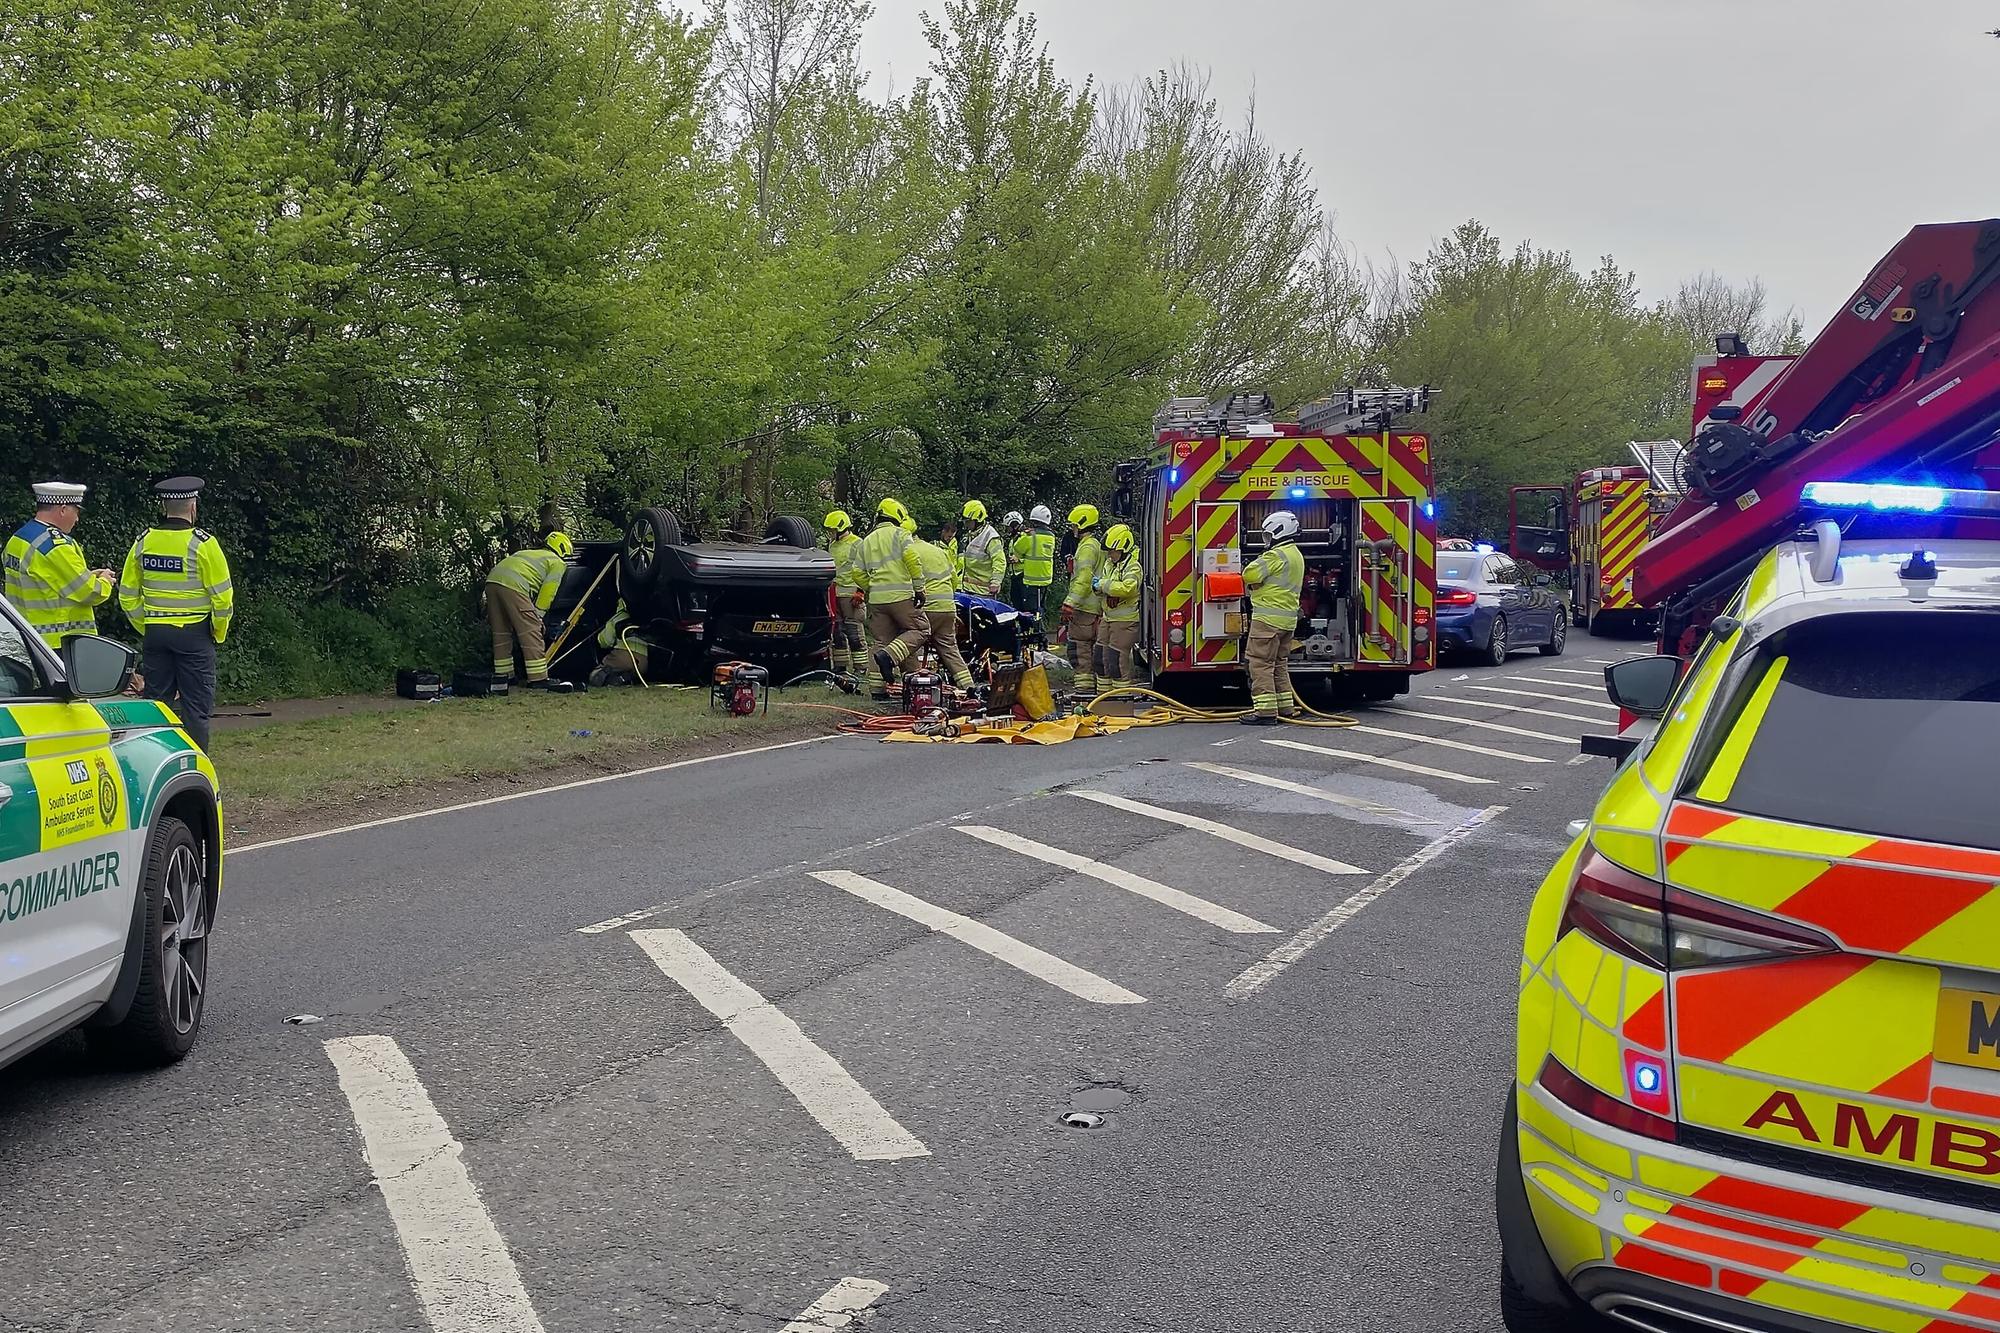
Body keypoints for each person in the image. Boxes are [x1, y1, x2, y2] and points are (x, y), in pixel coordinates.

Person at [118, 476, 234, 749]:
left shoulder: (143, 542)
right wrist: (217, 631)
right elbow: (223, 597)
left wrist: (146, 625)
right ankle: (195, 765)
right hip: (194, 635)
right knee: (196, 707)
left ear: (164, 507)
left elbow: (127, 595)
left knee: (157, 705)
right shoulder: (203, 544)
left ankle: (157, 756)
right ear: (193, 507)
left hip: (156, 635)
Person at [5, 481, 116, 650]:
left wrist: (89, 574)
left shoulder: (19, 538)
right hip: (58, 643)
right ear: (63, 509)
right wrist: (105, 581)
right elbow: (89, 592)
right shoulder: (55, 546)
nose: (77, 519)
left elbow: (47, 582)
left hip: (26, 637)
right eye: (76, 511)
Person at [851, 498, 928, 702]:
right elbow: (913, 559)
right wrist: (919, 588)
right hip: (901, 596)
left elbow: (857, 572)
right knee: (920, 630)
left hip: (877, 599)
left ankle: (877, 690)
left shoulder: (866, 540)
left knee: (880, 641)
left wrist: (871, 587)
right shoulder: (901, 534)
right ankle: (891, 657)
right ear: (897, 517)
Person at [485, 530, 575, 693]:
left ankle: (504, 676)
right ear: (563, 549)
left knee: (501, 631)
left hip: (492, 581)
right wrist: (538, 616)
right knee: (531, 631)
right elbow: (549, 591)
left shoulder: (527, 553)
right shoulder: (556, 562)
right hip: (514, 585)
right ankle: (538, 678)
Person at [1240, 511, 1306, 725]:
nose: (1266, 540)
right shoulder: (1295, 554)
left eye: (1268, 535)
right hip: (1287, 621)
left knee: (1259, 664)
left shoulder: (1275, 556)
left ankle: (1265, 712)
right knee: (1279, 664)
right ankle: (1285, 707)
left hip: (1267, 621)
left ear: (1279, 532)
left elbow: (1250, 574)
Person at [908, 518, 976, 690]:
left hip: (927, 608)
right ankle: (969, 688)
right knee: (950, 650)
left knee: (907, 645)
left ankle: (917, 687)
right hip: (948, 606)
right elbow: (953, 579)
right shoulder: (937, 550)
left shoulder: (907, 551)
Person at [1060, 503, 1106, 698]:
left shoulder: (1086, 547)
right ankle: (1097, 689)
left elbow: (1084, 578)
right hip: (1096, 607)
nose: (1073, 529)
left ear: (1082, 524)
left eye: (1074, 525)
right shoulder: (1097, 544)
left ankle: (1084, 690)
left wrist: (1070, 602)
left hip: (1084, 608)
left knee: (1079, 649)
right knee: (1094, 648)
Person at [1097, 522, 1143, 687]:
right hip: (1107, 618)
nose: (1109, 555)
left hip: (1125, 621)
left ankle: (1121, 701)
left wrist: (1103, 585)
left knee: (1117, 661)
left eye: (1112, 551)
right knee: (1100, 658)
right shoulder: (1110, 564)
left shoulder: (1133, 567)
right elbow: (1105, 584)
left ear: (1123, 548)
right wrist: (1097, 588)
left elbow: (1128, 588)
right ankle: (1103, 699)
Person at [823, 509, 864, 678]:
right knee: (837, 631)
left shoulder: (858, 543)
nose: (830, 534)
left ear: (841, 529)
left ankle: (861, 666)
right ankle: (840, 666)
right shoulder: (832, 545)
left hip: (851, 593)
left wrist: (861, 592)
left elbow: (864, 568)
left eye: (832, 530)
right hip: (834, 593)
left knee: (853, 631)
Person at [590, 598, 651, 686]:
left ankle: (616, 677)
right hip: (644, 662)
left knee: (594, 675)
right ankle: (627, 677)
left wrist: (600, 636)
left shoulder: (619, 616)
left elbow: (606, 642)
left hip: (623, 656)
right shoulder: (648, 616)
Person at [1010, 504, 1057, 621]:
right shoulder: (1051, 536)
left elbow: (1017, 548)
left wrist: (1023, 534)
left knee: (1029, 610)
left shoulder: (1030, 536)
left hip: (1031, 579)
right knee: (1040, 607)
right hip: (1045, 578)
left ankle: (1031, 631)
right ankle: (1040, 626)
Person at [960, 501, 1006, 599]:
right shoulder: (970, 535)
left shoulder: (991, 537)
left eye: (968, 521)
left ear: (978, 520)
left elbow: (999, 561)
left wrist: (996, 582)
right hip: (967, 589)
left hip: (983, 592)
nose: (966, 524)